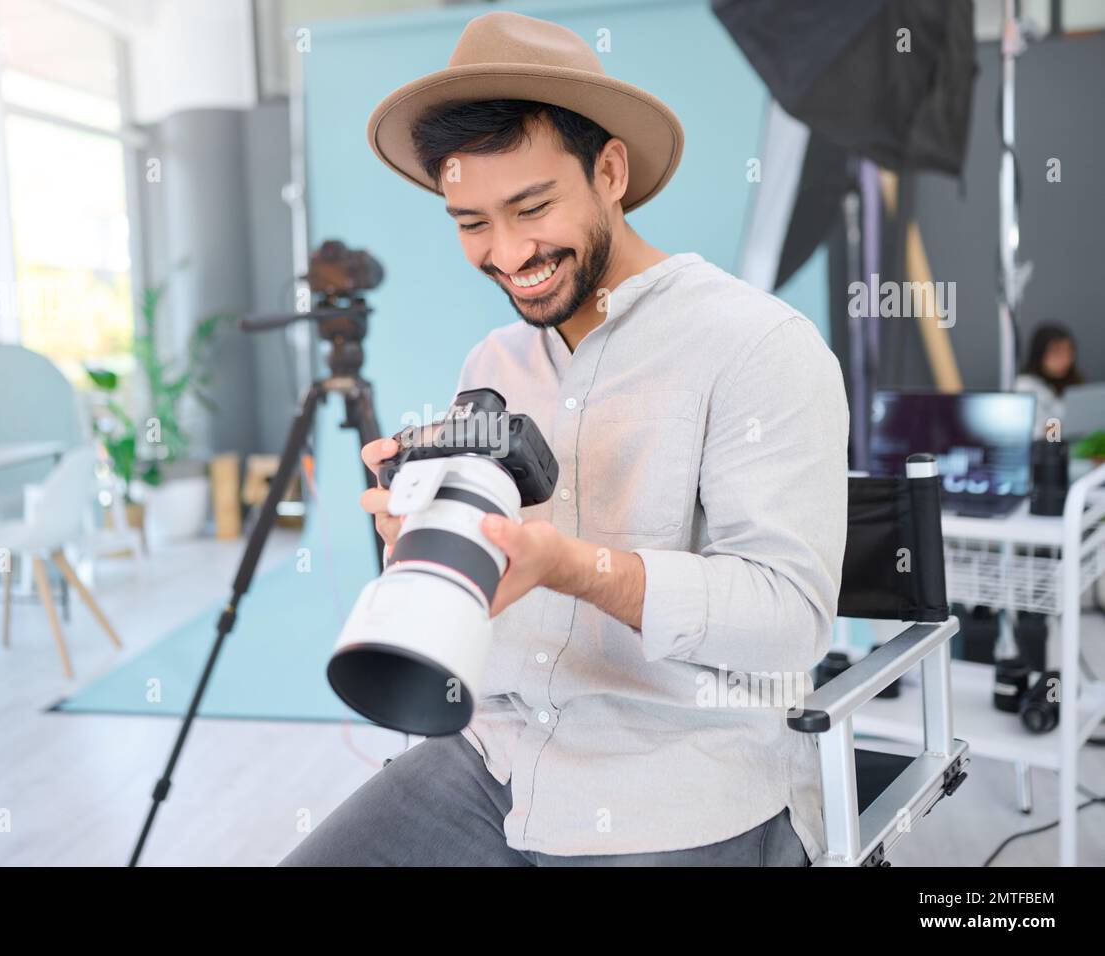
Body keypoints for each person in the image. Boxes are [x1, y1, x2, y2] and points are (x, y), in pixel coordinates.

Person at [280, 11, 848, 867]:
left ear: (610, 171)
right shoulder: (495, 360)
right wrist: (425, 534)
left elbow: (791, 623)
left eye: (532, 206)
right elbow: (490, 580)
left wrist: (577, 570)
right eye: (471, 222)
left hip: (678, 780)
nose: (507, 253)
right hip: (500, 755)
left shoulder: (757, 345)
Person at [1014, 322, 1084, 439]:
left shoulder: (1074, 381)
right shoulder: (1025, 386)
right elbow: (1034, 434)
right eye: (1057, 353)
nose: (1065, 359)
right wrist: (1061, 428)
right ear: (1040, 354)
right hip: (1044, 452)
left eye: (1069, 352)